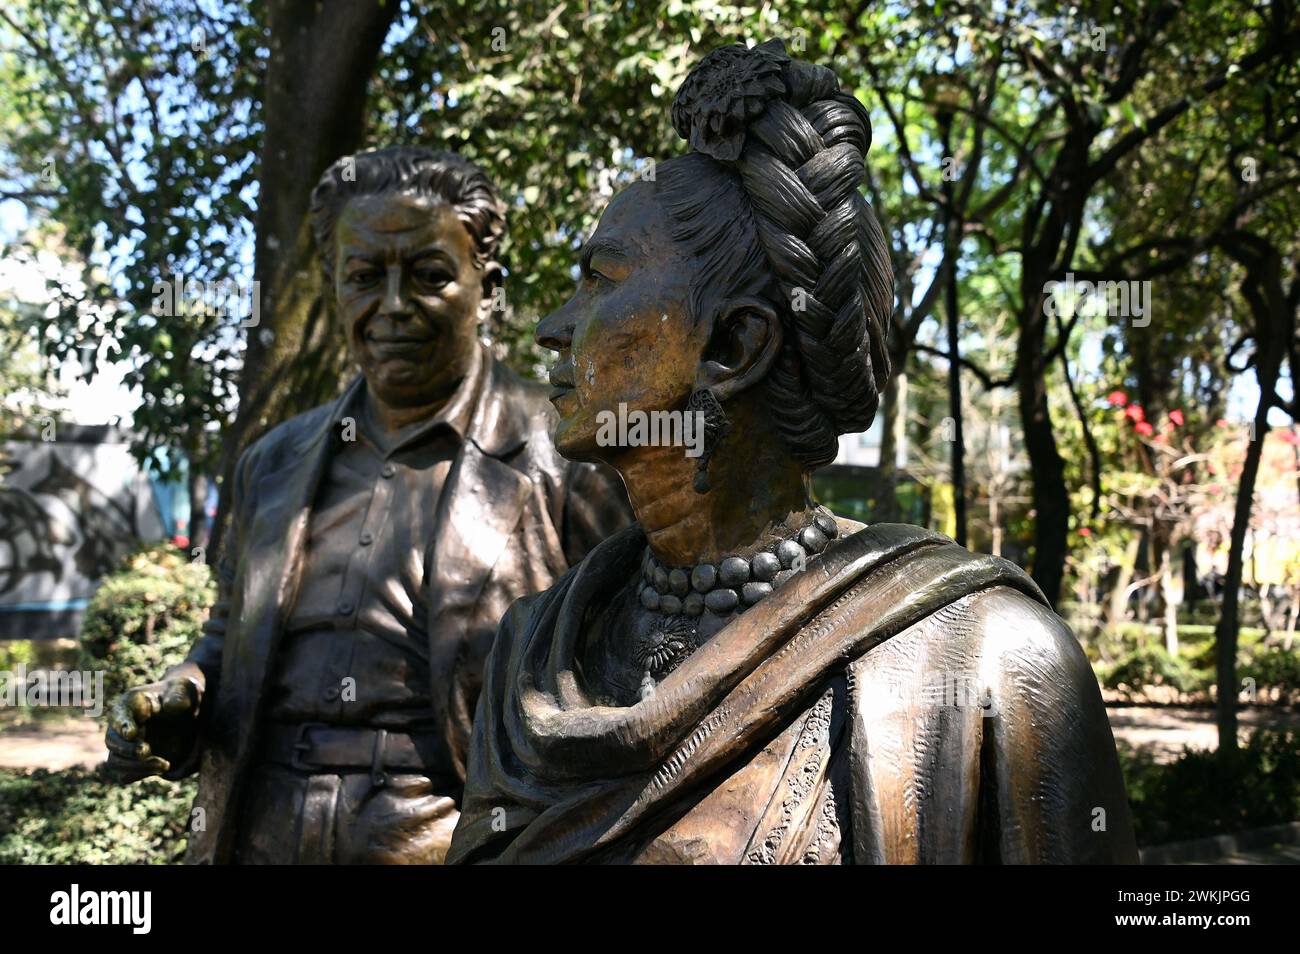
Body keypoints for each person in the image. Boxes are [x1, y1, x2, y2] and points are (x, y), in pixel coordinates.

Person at [446, 41, 1138, 865]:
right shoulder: (536, 650)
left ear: (734, 346)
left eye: (600, 277)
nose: (552, 327)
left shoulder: (993, 661)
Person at [104, 146, 630, 864]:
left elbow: (631, 666)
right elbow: (228, 642)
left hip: (453, 837)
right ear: (336, 288)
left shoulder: (568, 454)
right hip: (260, 830)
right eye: (362, 278)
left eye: (429, 276)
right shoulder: (273, 463)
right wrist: (180, 699)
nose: (391, 307)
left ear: (488, 286)